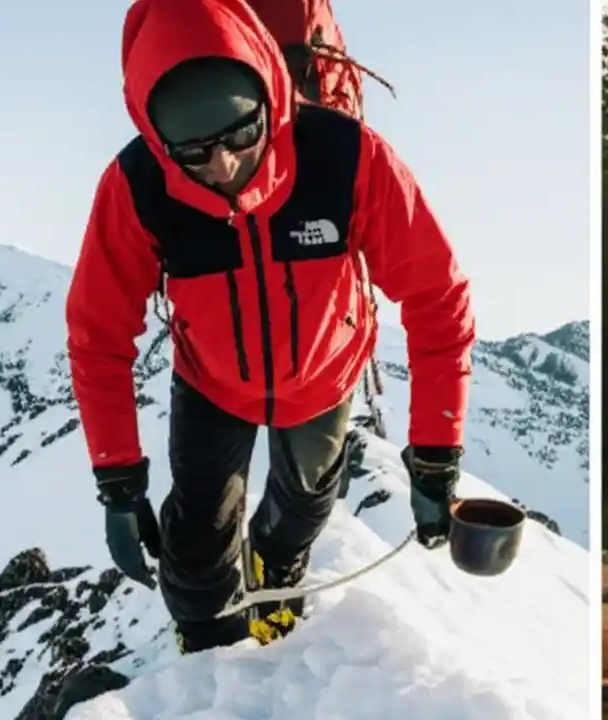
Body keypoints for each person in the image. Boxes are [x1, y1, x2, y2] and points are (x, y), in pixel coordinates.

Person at [65, 0, 475, 654]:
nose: (223, 166)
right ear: (153, 131)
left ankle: (276, 576)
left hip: (325, 373)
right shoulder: (138, 187)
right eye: (194, 152)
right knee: (195, 533)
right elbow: (97, 335)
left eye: (239, 136)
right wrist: (118, 482)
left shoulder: (344, 156)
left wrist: (435, 456)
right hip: (211, 381)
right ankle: (206, 656)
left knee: (304, 509)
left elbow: (437, 297)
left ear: (269, 102)